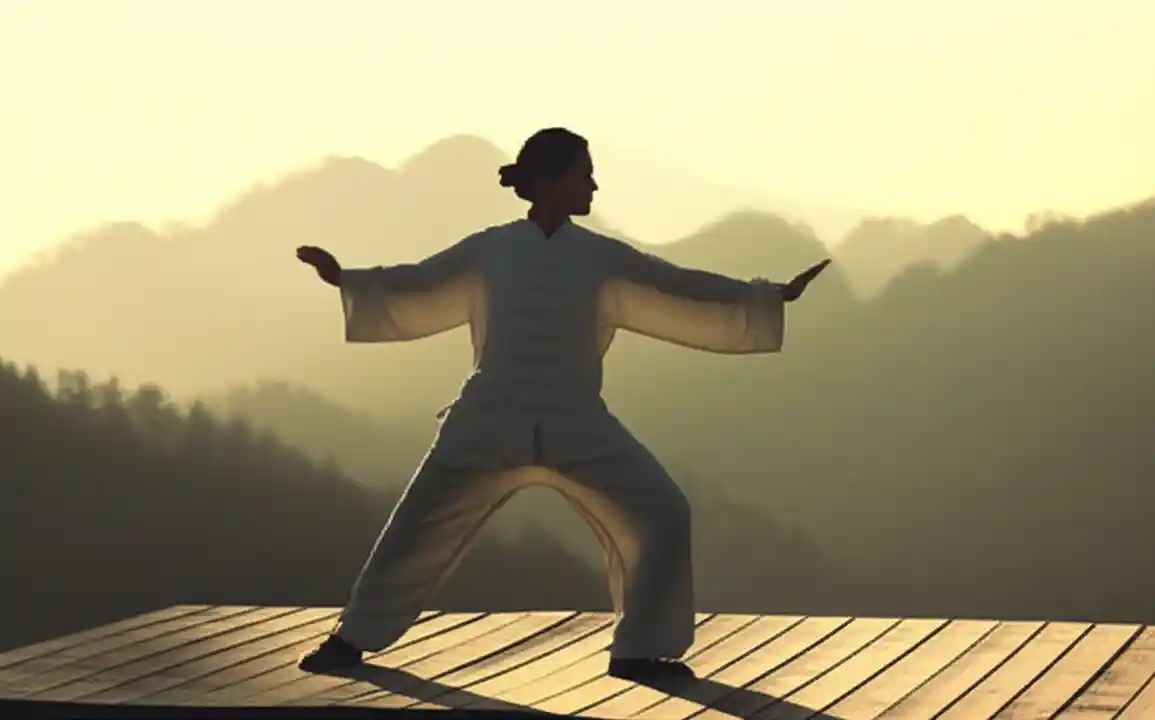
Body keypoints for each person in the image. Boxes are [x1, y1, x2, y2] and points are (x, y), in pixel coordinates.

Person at [294, 127, 830, 682]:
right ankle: (350, 638)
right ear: (550, 182)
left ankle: (639, 650)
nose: (593, 186)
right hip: (488, 419)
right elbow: (420, 281)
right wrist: (345, 278)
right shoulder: (491, 249)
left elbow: (678, 285)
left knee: (664, 512)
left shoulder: (597, 257)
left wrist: (767, 297)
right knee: (414, 527)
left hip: (576, 421)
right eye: (583, 174)